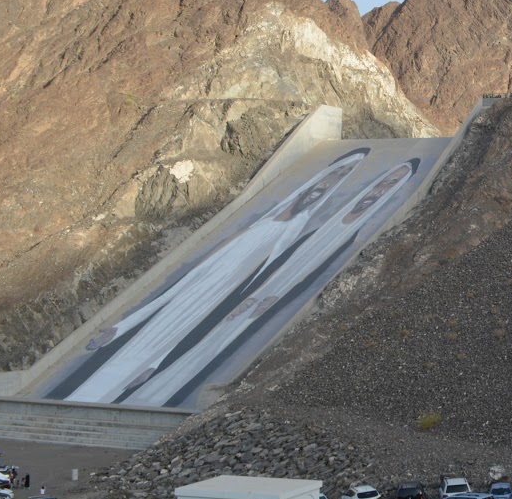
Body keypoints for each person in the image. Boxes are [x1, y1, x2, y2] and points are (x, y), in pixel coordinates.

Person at [44, 148, 371, 402]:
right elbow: (200, 267)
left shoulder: (295, 229)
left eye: (339, 180)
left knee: (163, 344)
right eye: (332, 174)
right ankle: (88, 394)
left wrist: (157, 363)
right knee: (140, 343)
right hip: (197, 285)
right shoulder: (263, 220)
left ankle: (144, 373)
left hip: (218, 294)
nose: (323, 187)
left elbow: (265, 273)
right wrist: (122, 326)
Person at [122, 157, 423, 407]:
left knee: (211, 349)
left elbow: (318, 277)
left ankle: (154, 391)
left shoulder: (350, 234)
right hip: (241, 296)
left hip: (264, 303)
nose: (381, 188)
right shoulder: (310, 226)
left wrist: (272, 297)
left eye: (390, 185)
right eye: (383, 181)